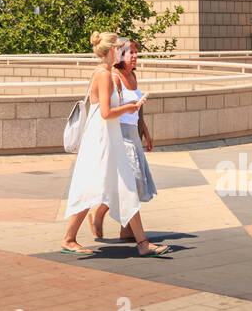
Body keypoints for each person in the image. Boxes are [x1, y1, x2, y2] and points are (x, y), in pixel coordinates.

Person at [61, 32, 170, 256]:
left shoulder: (107, 73)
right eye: (121, 48)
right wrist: (130, 108)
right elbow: (106, 112)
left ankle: (142, 243)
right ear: (113, 51)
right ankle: (70, 239)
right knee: (99, 186)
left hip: (108, 138)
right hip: (101, 140)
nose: (125, 51)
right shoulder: (103, 74)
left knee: (123, 186)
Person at [89, 37, 156, 241]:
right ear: (120, 55)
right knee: (129, 182)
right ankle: (100, 212)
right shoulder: (114, 77)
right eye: (130, 53)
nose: (135, 57)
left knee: (133, 183)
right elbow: (110, 109)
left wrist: (145, 132)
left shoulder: (132, 76)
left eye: (136, 53)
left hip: (133, 135)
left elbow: (137, 108)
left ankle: (125, 228)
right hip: (120, 136)